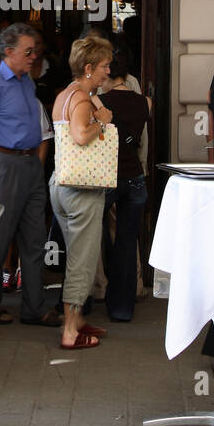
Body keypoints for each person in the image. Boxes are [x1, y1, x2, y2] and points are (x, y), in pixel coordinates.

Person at [0, 22, 61, 328]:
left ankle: (34, 307)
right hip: (3, 163)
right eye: (28, 51)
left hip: (31, 163)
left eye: (36, 51)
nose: (34, 57)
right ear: (9, 52)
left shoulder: (26, 82)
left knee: (34, 239)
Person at [49, 35, 115, 349]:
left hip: (61, 184)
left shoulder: (68, 94)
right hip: (82, 189)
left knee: (78, 256)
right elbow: (80, 136)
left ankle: (74, 321)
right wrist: (100, 122)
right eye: (104, 66)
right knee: (82, 260)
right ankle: (70, 333)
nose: (108, 72)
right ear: (88, 67)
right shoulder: (83, 100)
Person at [100, 44, 151, 321]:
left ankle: (91, 297)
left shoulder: (101, 103)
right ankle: (122, 308)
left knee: (94, 239)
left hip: (107, 176)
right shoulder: (145, 102)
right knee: (128, 243)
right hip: (134, 178)